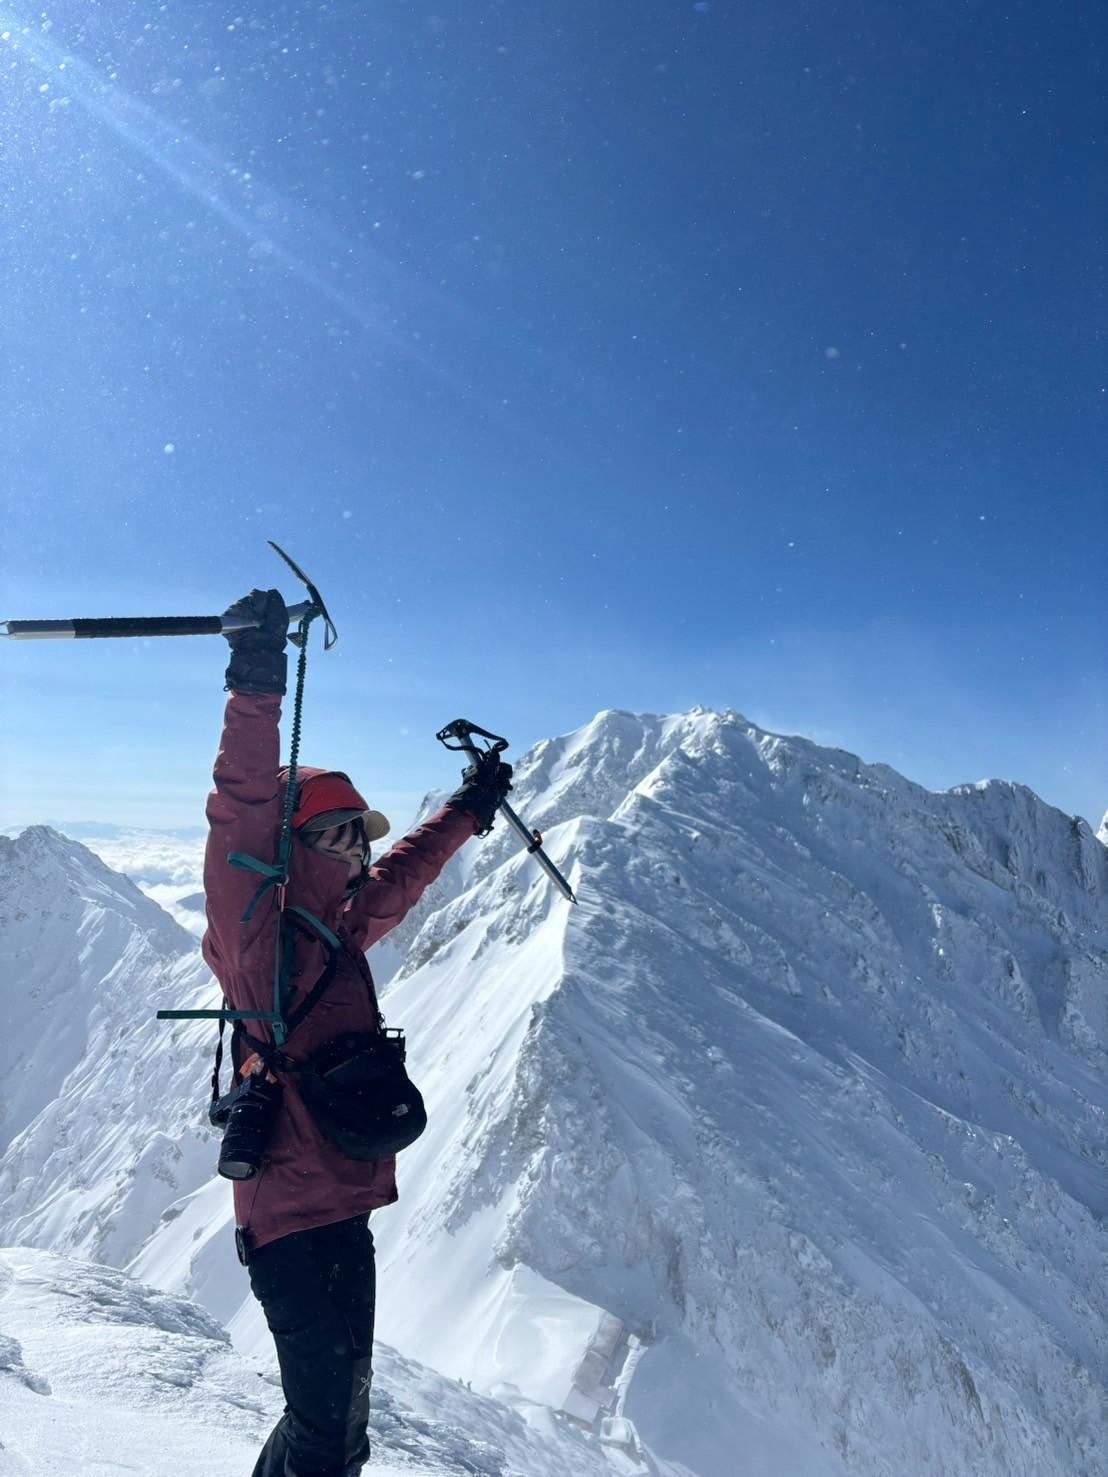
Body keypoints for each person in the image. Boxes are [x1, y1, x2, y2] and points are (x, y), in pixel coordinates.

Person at [201, 587, 511, 1477]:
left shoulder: (340, 926)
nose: (358, 851)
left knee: (342, 1424)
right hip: (287, 1218)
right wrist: (255, 680)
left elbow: (407, 873)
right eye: (339, 834)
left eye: (358, 837)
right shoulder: (256, 939)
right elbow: (239, 807)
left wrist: (470, 806)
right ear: (296, 841)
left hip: (345, 1205)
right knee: (326, 1430)